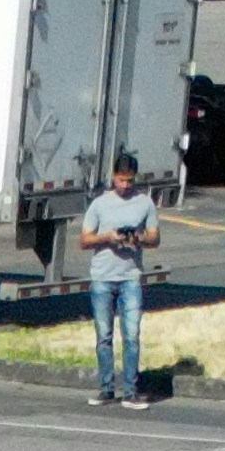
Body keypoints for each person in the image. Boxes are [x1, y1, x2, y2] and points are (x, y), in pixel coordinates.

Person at [75, 155, 165, 410]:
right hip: (103, 276)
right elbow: (84, 240)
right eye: (121, 179)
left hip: (130, 277)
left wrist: (138, 238)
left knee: (132, 335)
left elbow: (155, 238)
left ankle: (130, 390)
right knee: (104, 335)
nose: (125, 185)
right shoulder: (100, 204)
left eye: (129, 180)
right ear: (113, 176)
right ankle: (106, 388)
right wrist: (107, 237)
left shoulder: (144, 203)